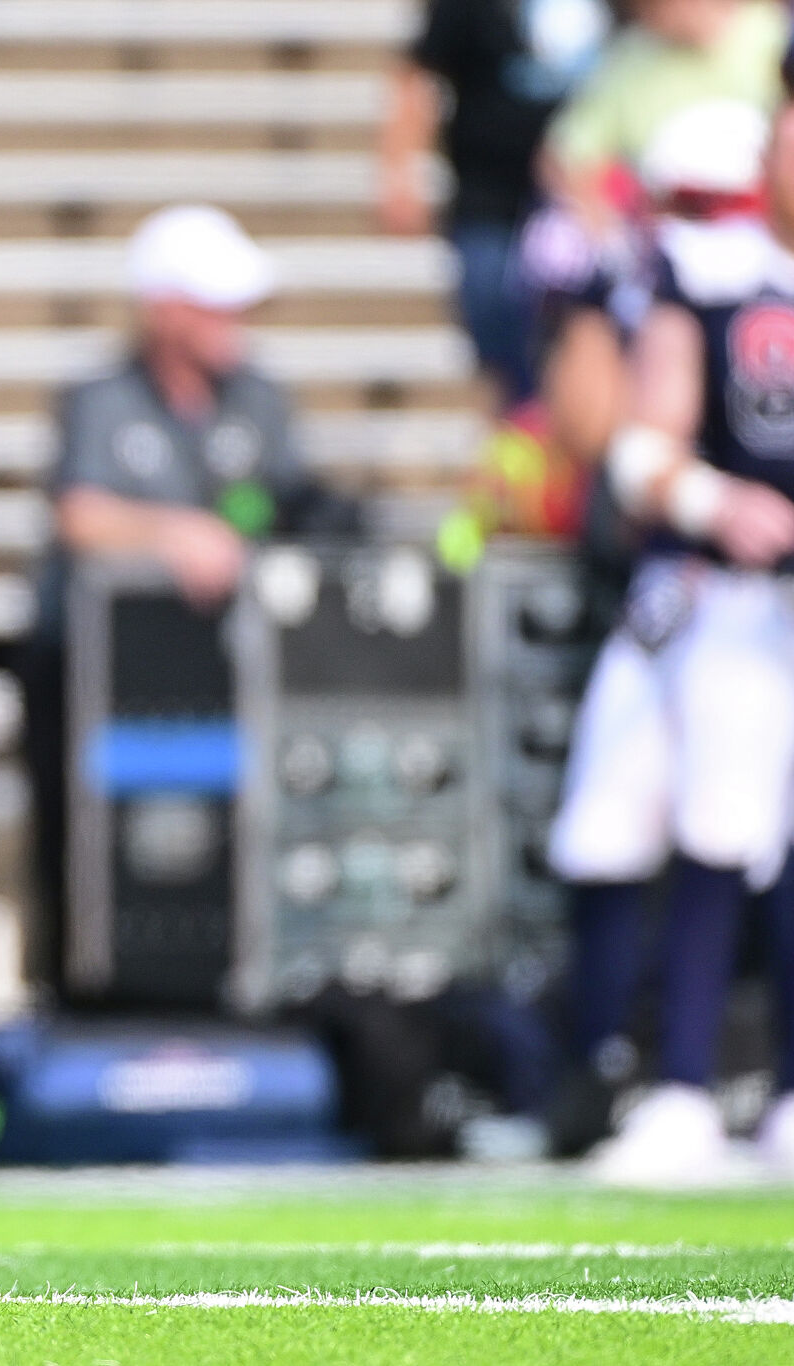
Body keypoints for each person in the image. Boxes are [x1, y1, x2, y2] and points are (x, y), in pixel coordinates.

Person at [549, 98, 794, 1183]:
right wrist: (712, 506)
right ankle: (664, 1083)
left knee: (753, 834)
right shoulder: (697, 287)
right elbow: (632, 448)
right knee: (689, 824)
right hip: (715, 601)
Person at [16, 203, 356, 964]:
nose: (235, 319)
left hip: (219, 671)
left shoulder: (260, 402)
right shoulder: (101, 400)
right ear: (166, 309)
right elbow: (80, 512)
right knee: (89, 838)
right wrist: (175, 534)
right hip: (93, 673)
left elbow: (291, 505)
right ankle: (82, 981)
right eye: (215, 302)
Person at [381, 0, 610, 408]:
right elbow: (421, 72)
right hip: (488, 200)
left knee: (587, 337)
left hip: (584, 200)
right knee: (499, 346)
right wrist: (400, 175)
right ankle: (520, 439)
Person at [544, 0, 787, 242]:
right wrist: (608, 229)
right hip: (670, 247)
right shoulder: (628, 63)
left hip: (770, 237)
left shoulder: (772, 32)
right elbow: (566, 157)